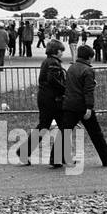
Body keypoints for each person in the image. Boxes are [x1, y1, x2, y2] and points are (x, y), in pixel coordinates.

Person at [58, 45, 107, 167]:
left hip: (69, 104)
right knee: (96, 133)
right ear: (89, 57)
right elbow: (88, 91)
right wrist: (89, 107)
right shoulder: (88, 70)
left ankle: (55, 157)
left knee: (64, 132)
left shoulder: (71, 67)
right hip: (82, 106)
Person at [18, 39, 67, 167]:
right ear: (56, 51)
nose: (62, 53)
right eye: (61, 50)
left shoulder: (48, 61)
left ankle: (25, 152)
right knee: (64, 126)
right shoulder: (53, 63)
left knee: (45, 126)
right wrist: (65, 89)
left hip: (45, 98)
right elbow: (53, 80)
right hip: (52, 99)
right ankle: (57, 157)